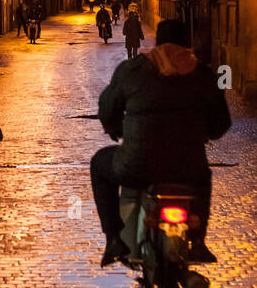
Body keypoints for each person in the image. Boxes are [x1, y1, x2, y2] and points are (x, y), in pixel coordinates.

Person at [90, 19, 231, 266]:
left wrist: (114, 129)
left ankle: (113, 237)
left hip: (136, 165)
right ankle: (198, 242)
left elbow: (108, 107)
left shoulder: (132, 69)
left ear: (158, 41)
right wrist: (206, 134)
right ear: (187, 41)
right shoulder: (202, 74)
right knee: (203, 178)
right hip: (188, 167)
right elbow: (221, 122)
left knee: (99, 165)